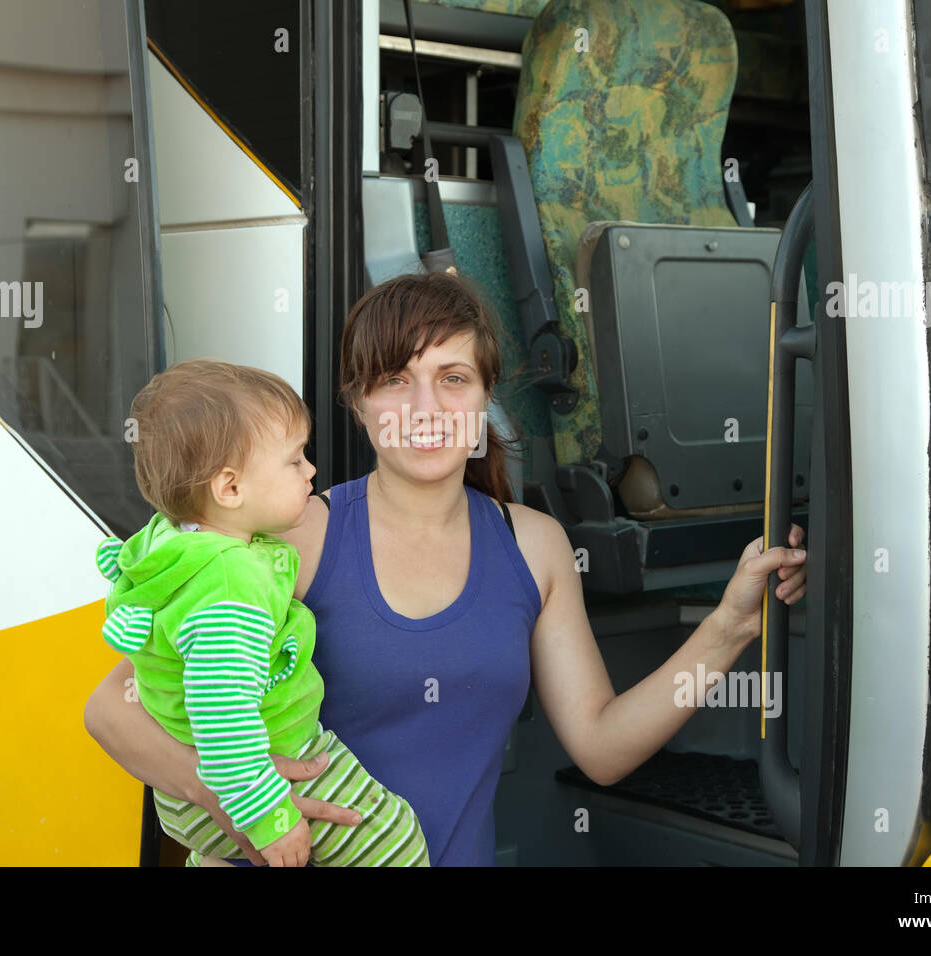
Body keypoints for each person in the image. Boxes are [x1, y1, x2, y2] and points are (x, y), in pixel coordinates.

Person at [84, 271, 808, 866]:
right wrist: (236, 799)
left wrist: (730, 626)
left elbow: (601, 747)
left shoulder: (536, 546)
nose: (424, 408)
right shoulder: (293, 537)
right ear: (360, 405)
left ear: (487, 397)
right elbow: (109, 709)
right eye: (396, 380)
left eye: (453, 377)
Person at [96, 359, 428, 866]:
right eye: (294, 460)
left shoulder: (173, 541)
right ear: (230, 489)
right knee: (395, 840)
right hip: (259, 772)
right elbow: (222, 715)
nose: (310, 470)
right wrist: (270, 817)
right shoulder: (233, 589)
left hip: (191, 791)